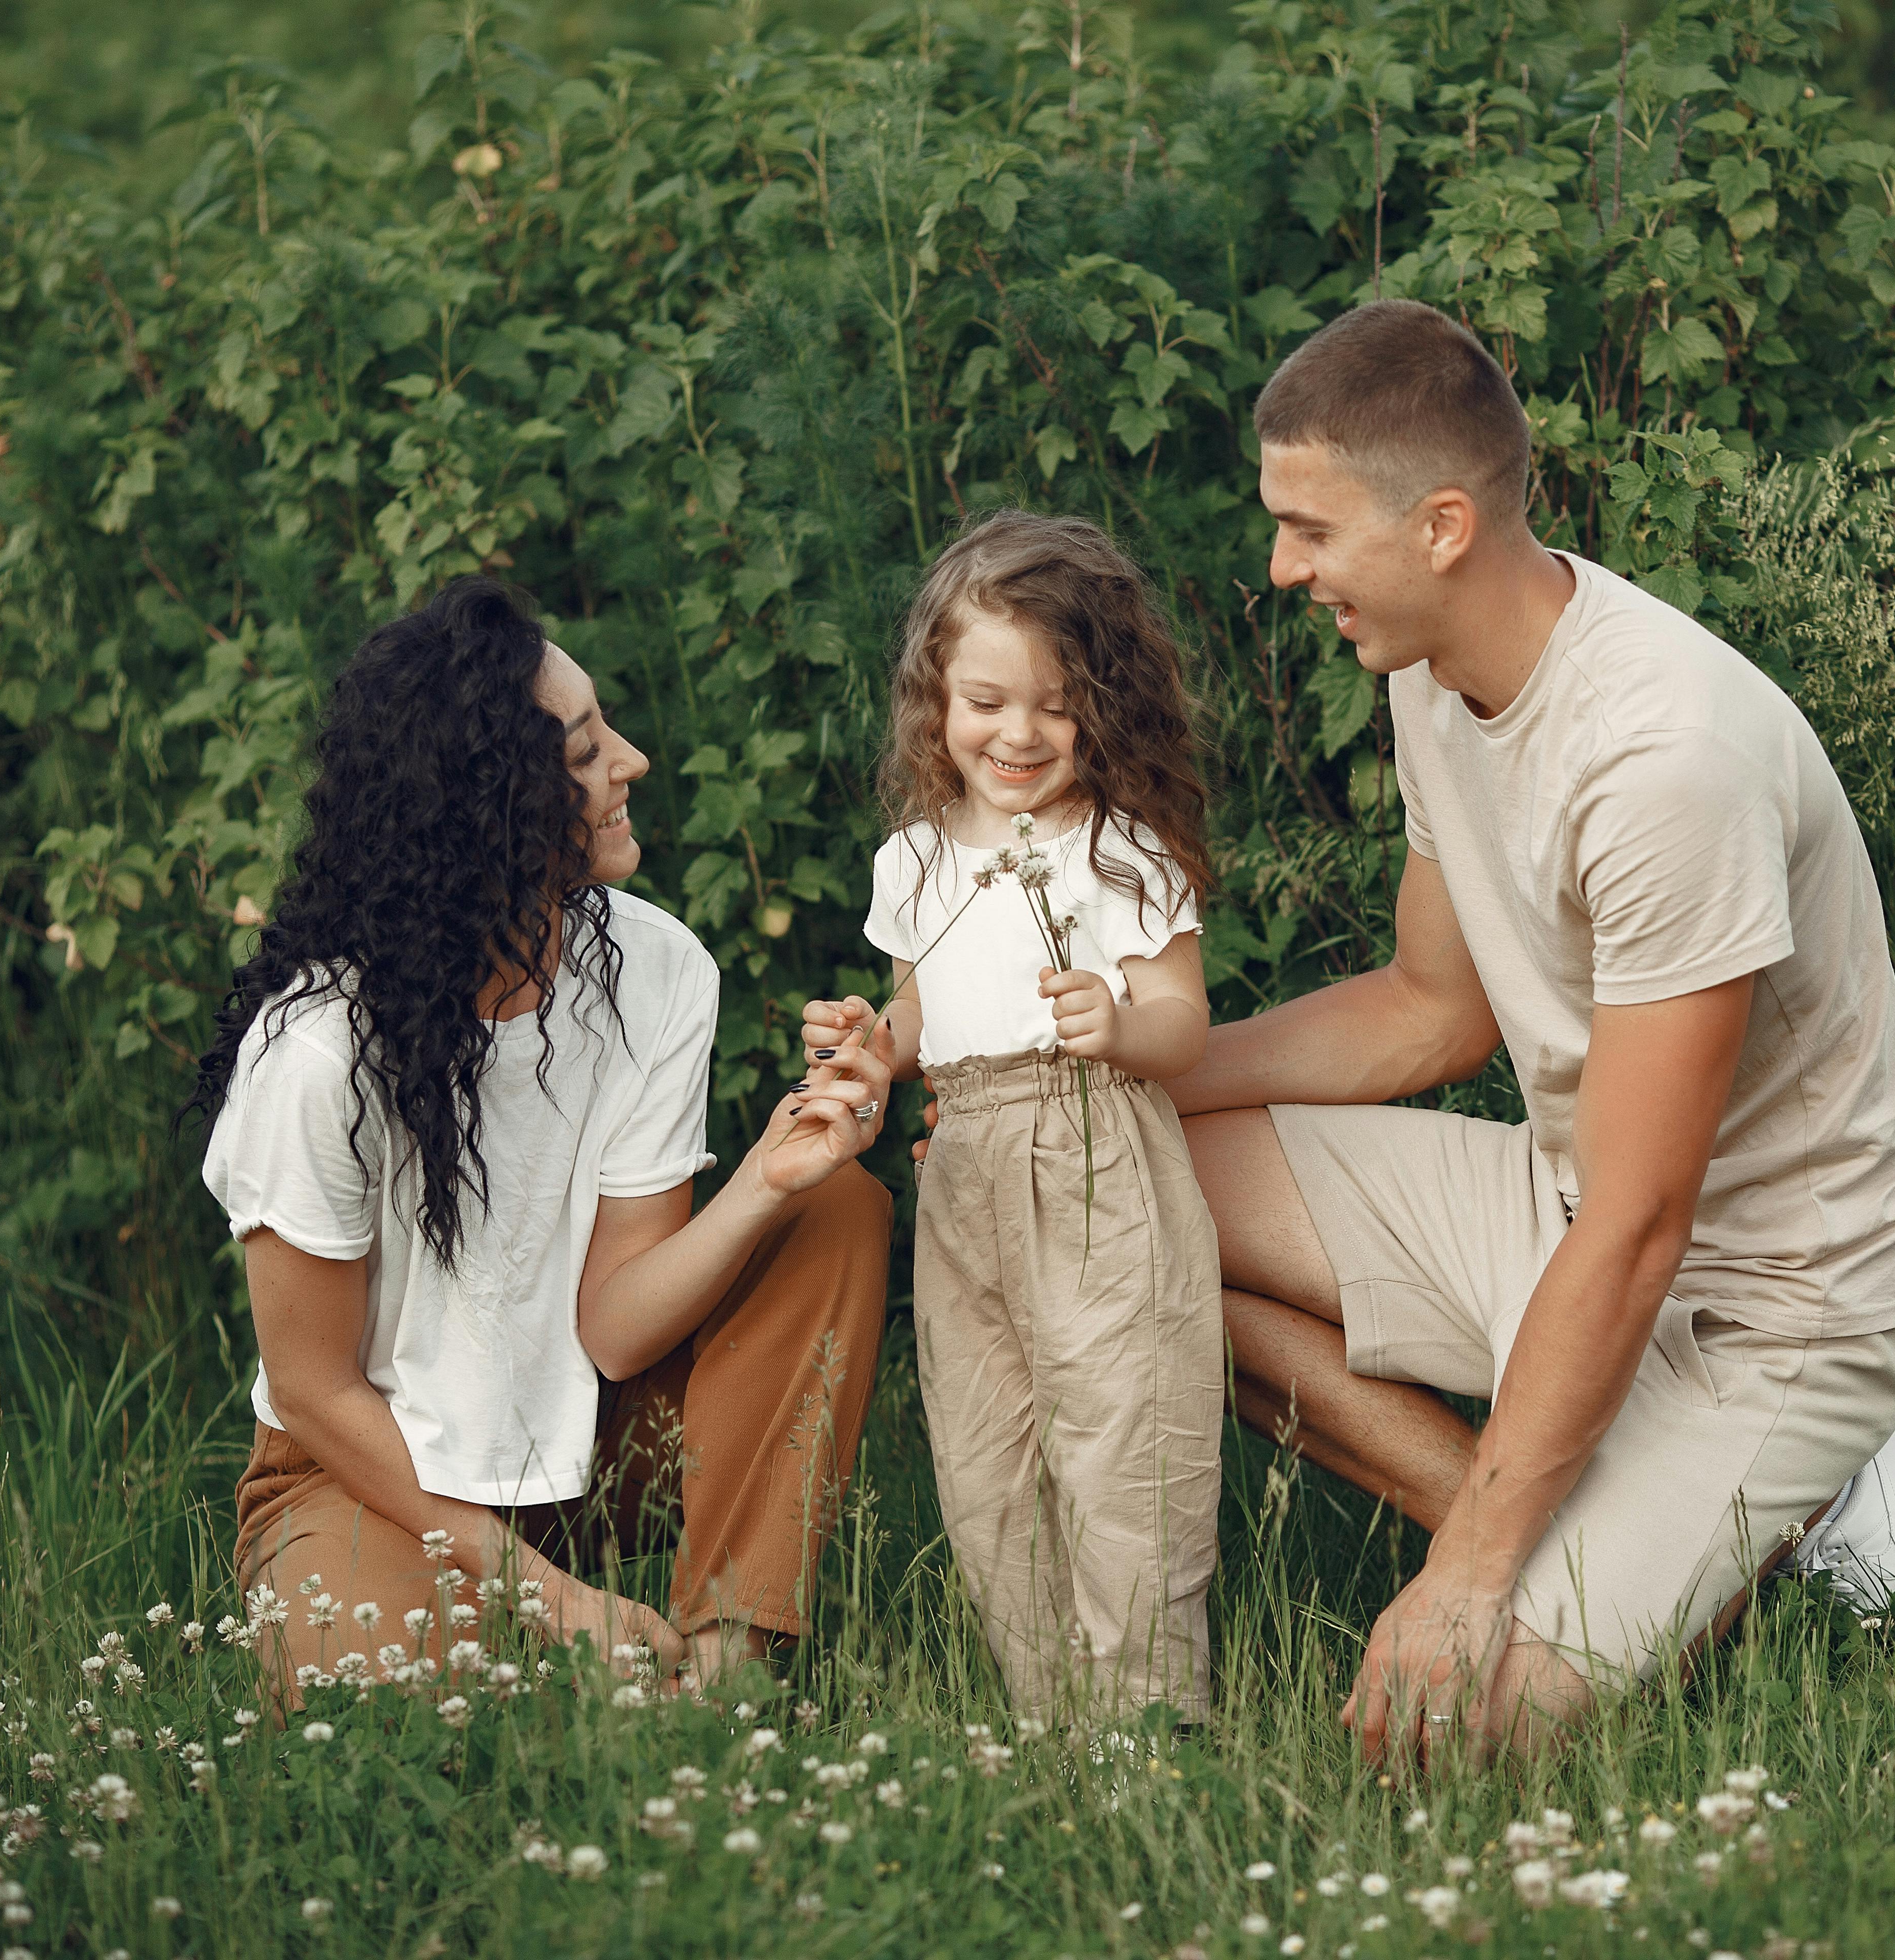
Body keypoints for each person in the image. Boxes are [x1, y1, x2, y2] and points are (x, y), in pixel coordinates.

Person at [1171, 301, 1895, 1758]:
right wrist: (1121, 1078)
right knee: (1108, 1192)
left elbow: (1651, 1226)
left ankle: (1796, 1491)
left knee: (1472, 1739)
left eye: (1309, 530)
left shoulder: (1666, 765)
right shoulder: (1426, 670)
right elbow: (1427, 1014)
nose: (1283, 569)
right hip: (1570, 1212)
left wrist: (1462, 1589)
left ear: (1445, 525)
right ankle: (1574, 1516)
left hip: (1774, 1306)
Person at [189, 577, 896, 1703]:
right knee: (390, 1714)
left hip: (592, 1440)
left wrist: (767, 1179)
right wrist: (544, 1594)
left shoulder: (657, 970)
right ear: (483, 806)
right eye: (582, 753)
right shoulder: (319, 1053)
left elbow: (616, 1332)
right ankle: (524, 1631)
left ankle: (721, 1676)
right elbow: (317, 1394)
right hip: (372, 1478)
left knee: (834, 1208)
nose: (631, 763)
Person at [802, 510, 1225, 1722]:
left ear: (1109, 705)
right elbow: (922, 1012)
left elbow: (1184, 1022)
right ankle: (1051, 1712)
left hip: (1100, 1150)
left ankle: (1147, 1714)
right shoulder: (918, 860)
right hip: (969, 1175)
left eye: (1057, 703)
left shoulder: (1123, 851)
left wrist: (1118, 1022)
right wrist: (870, 1055)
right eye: (986, 701)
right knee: (988, 1450)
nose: (1020, 735)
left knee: (1122, 1434)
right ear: (936, 698)